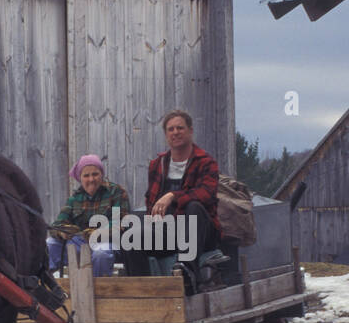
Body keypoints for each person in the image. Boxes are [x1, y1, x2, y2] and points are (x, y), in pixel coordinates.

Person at [124, 109, 224, 277]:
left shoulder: (206, 162)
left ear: (190, 131)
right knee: (131, 238)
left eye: (180, 128)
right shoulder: (157, 164)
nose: (175, 132)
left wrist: (172, 196)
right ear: (166, 134)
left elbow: (206, 193)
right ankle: (143, 291)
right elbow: (151, 201)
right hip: (168, 232)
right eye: (171, 129)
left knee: (194, 207)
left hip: (201, 234)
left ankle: (187, 275)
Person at [47, 155, 129, 277]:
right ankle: (48, 285)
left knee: (101, 254)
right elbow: (57, 224)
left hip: (107, 241)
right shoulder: (74, 198)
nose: (91, 179)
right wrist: (62, 232)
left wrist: (98, 233)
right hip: (79, 243)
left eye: (95, 174)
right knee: (50, 244)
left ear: (102, 174)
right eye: (86, 175)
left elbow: (120, 222)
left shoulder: (116, 192)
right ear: (80, 178)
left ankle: (99, 291)